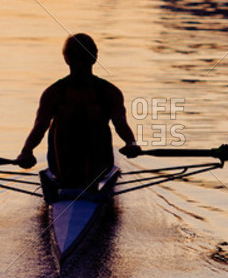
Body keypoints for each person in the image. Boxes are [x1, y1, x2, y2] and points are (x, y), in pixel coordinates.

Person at [15, 33, 141, 185]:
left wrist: (131, 143)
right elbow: (40, 126)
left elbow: (120, 123)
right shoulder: (54, 93)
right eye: (76, 58)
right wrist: (26, 151)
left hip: (99, 166)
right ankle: (69, 181)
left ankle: (88, 182)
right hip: (62, 167)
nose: (80, 64)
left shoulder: (109, 92)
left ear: (94, 58)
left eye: (84, 58)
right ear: (67, 59)